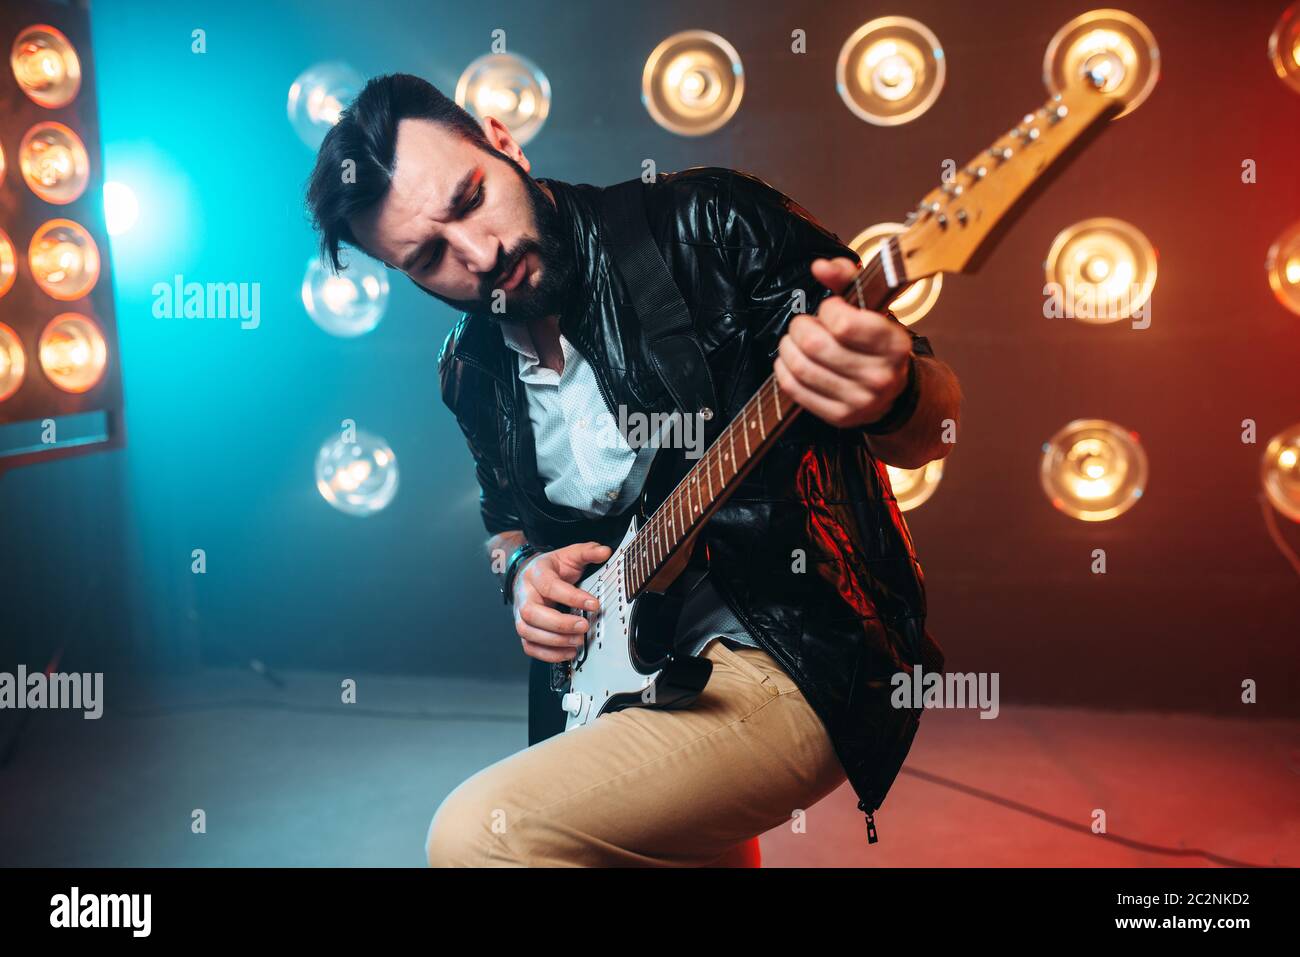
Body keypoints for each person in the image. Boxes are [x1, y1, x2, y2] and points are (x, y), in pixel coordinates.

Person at [305, 73, 960, 866]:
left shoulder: (704, 223)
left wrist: (893, 389)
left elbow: (932, 426)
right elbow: (501, 518)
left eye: (470, 198)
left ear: (502, 141)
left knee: (479, 835)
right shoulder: (469, 370)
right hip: (631, 678)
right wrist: (518, 572)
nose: (480, 255)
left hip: (799, 652)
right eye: (429, 255)